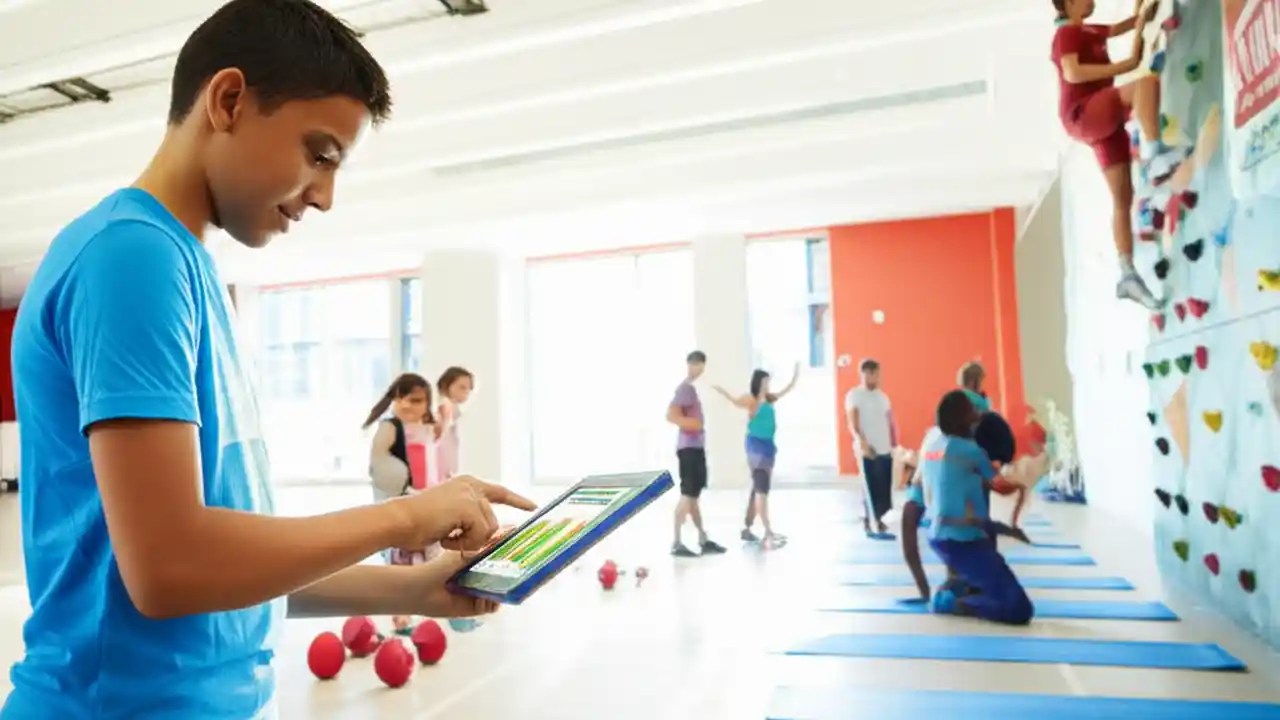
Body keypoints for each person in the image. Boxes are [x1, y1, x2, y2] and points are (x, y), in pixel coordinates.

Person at [1, 3, 536, 717]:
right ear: (228, 101)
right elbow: (170, 568)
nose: (325, 196)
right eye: (319, 154)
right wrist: (405, 519)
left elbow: (224, 569)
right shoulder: (131, 258)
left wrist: (413, 589)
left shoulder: (183, 271)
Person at [1050, 0, 1182, 311]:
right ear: (1069, 4)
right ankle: (1155, 153)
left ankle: (1127, 273)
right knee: (1144, 85)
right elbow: (1072, 71)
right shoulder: (1066, 34)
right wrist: (1124, 67)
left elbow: (1133, 23)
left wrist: (1139, 20)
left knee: (1123, 197)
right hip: (1084, 113)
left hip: (1098, 121)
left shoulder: (1092, 29)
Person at [921, 391, 1034, 625]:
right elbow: (1001, 487)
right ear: (962, 418)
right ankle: (951, 602)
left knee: (988, 550)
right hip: (963, 541)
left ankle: (960, 585)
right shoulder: (970, 450)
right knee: (1019, 609)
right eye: (971, 411)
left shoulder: (932, 442)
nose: (976, 416)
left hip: (938, 537)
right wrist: (1021, 483)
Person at [365, 373, 443, 633]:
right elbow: (382, 467)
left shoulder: (430, 430)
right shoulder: (391, 428)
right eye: (401, 399)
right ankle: (401, 614)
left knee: (430, 560)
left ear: (426, 404)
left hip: (428, 501)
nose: (407, 405)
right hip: (404, 502)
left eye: (416, 400)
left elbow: (436, 466)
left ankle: (435, 607)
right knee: (402, 563)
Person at [712, 364, 799, 547]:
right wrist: (720, 390)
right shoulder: (751, 400)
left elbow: (788, 389)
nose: (768, 384)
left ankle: (747, 526)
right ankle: (768, 530)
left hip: (768, 446)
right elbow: (735, 401)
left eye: (769, 381)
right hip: (756, 447)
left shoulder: (769, 398)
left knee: (758, 488)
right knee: (761, 489)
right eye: (766, 381)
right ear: (758, 382)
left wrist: (795, 373)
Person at [667, 351, 727, 557]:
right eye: (694, 365)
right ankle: (676, 542)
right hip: (688, 449)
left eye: (699, 366)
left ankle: (702, 538)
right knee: (687, 495)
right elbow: (671, 415)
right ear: (690, 365)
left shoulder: (694, 390)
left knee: (693, 497)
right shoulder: (685, 389)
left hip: (696, 448)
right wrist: (693, 424)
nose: (696, 369)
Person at [845, 358, 897, 535]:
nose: (875, 377)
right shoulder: (855, 395)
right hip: (868, 448)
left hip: (884, 447)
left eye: (876, 374)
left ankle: (879, 518)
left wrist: (894, 443)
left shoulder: (883, 397)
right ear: (864, 374)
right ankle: (869, 519)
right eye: (871, 374)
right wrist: (862, 442)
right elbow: (853, 422)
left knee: (883, 486)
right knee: (870, 485)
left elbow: (889, 420)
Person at [436, 366, 475, 481]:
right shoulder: (445, 406)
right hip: (442, 464)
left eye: (469, 389)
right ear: (447, 385)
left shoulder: (453, 408)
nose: (466, 392)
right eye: (462, 387)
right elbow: (440, 437)